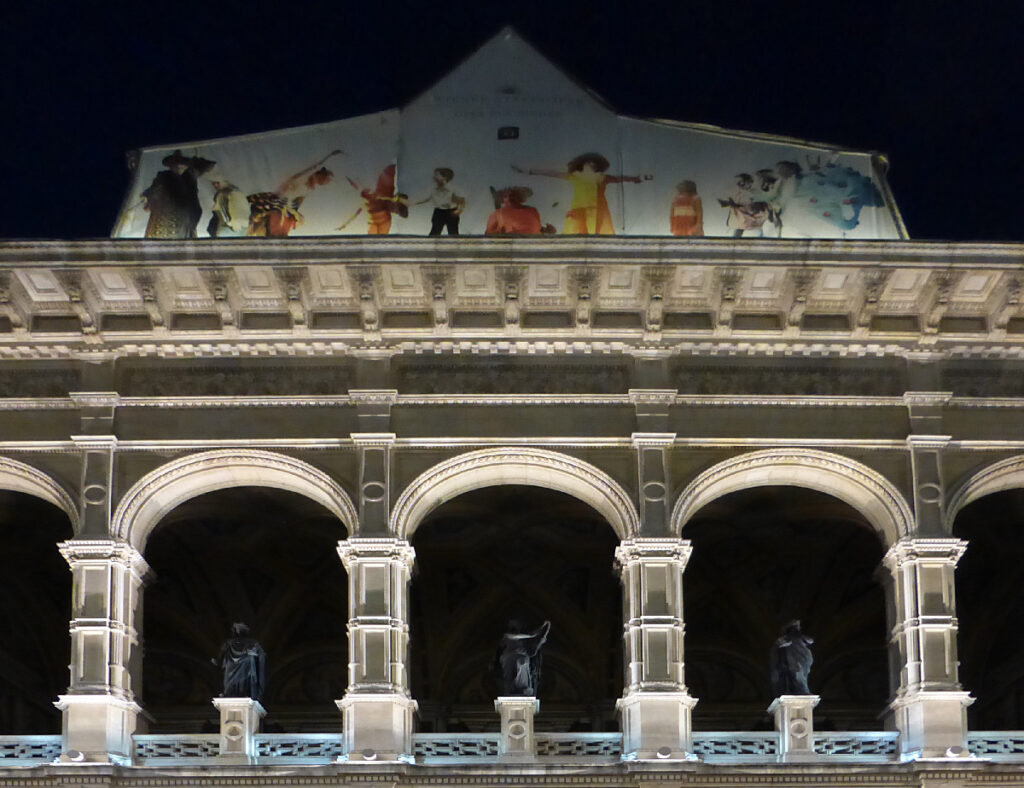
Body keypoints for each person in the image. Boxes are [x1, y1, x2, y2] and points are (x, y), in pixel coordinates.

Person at [513, 153, 650, 235]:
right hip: (579, 209)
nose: (591, 164)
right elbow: (553, 173)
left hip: (597, 210)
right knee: (576, 231)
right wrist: (531, 171)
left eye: (594, 163)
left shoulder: (601, 177)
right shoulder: (576, 176)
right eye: (588, 162)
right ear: (583, 165)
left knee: (595, 234)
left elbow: (620, 178)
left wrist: (636, 179)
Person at [247, 150, 343, 237]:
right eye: (285, 234)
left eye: (280, 233)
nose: (292, 225)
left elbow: (291, 185)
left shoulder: (276, 199)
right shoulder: (294, 198)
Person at [141, 150, 216, 238]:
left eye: (181, 164)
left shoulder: (189, 176)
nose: (178, 166)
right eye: (174, 164)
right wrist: (148, 198)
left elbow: (208, 165)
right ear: (170, 166)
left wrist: (191, 162)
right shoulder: (164, 176)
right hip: (165, 221)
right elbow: (152, 192)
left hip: (185, 220)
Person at [339, 164, 408, 234]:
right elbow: (354, 215)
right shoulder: (370, 201)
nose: (369, 191)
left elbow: (355, 215)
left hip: (381, 218)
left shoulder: (371, 199)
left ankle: (398, 205)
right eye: (367, 192)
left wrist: (344, 225)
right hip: (380, 219)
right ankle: (398, 205)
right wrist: (344, 225)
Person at [496, 619, 551, 696]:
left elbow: (532, 651)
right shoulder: (507, 636)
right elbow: (514, 637)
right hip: (509, 657)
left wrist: (539, 640)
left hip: (522, 656)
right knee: (511, 672)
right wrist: (531, 635)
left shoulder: (525, 641)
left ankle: (523, 687)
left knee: (522, 662)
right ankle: (511, 688)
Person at [215, 622, 267, 702]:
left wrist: (217, 661)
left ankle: (229, 693)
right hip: (244, 664)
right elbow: (261, 654)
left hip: (233, 665)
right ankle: (241, 693)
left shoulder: (229, 642)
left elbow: (221, 654)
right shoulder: (253, 642)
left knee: (230, 680)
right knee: (242, 679)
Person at [769, 620, 814, 696]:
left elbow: (811, 641)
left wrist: (799, 637)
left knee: (802, 674)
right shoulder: (785, 639)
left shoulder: (800, 638)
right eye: (795, 627)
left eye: (798, 627)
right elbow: (777, 646)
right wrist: (784, 644)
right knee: (795, 674)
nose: (797, 629)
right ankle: (800, 690)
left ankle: (802, 690)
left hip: (802, 659)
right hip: (791, 660)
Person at [718, 173, 770, 237]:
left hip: (753, 215)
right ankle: (736, 239)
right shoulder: (737, 191)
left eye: (747, 183)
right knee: (740, 227)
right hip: (742, 215)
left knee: (755, 226)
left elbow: (759, 200)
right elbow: (730, 200)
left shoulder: (753, 191)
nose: (745, 184)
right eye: (742, 183)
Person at [416, 168, 465, 235]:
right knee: (434, 233)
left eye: (437, 175)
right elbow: (423, 198)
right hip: (438, 212)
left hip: (451, 212)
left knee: (453, 234)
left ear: (445, 177)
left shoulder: (454, 189)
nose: (434, 177)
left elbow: (462, 201)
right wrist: (409, 202)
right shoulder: (433, 189)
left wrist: (458, 211)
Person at [485, 186, 553, 235]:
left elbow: (534, 229)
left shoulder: (532, 211)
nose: (509, 198)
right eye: (505, 196)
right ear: (502, 200)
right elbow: (488, 236)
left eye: (513, 195)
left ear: (520, 197)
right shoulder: (497, 214)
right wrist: (500, 236)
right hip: (513, 247)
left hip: (535, 247)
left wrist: (547, 231)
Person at [205, 171, 249, 237]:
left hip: (229, 229)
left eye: (217, 183)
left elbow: (223, 214)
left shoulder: (224, 194)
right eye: (213, 183)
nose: (215, 185)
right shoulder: (238, 192)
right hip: (242, 229)